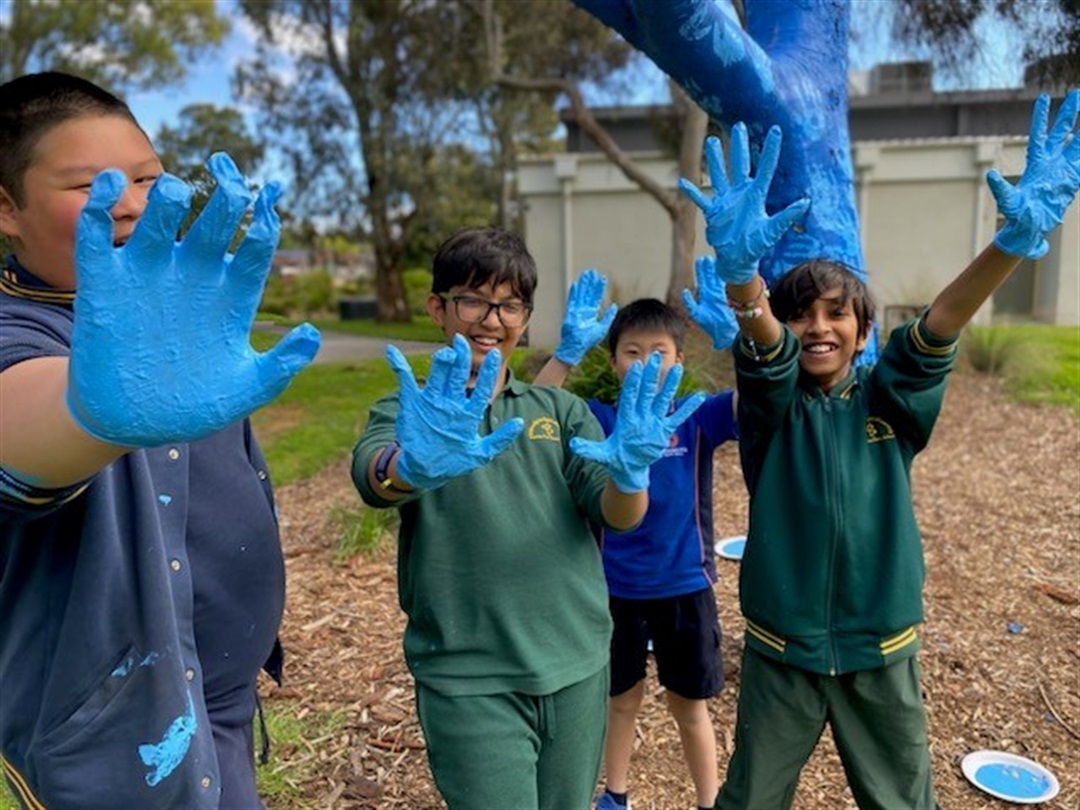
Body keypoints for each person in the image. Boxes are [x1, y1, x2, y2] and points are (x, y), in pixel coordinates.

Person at [677, 93, 1079, 810]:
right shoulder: (773, 412)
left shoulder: (891, 404)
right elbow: (765, 350)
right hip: (782, 653)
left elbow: (940, 325)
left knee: (902, 802)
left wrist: (1009, 244)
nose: (818, 327)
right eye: (801, 314)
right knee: (750, 799)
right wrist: (744, 281)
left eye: (837, 314)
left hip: (881, 653)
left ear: (864, 332)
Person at [0, 72, 320, 810]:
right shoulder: (21, 329)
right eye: (93, 185)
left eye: (148, 176)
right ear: (6, 209)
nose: (135, 203)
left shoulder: (178, 321)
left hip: (221, 701)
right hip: (109, 741)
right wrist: (88, 414)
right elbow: (24, 424)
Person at [351, 226, 705, 810]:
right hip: (469, 676)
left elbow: (617, 516)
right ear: (438, 308)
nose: (492, 319)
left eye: (510, 304)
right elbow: (374, 478)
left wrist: (630, 474)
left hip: (576, 662)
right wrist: (413, 466)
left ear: (525, 316)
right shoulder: (407, 408)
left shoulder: (559, 411)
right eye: (473, 299)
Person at [534, 274, 740, 810]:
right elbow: (534, 412)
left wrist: (741, 340)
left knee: (690, 707)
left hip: (684, 587)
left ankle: (709, 801)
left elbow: (759, 403)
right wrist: (566, 354)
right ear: (612, 361)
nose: (646, 362)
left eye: (660, 352)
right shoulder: (599, 419)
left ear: (679, 359)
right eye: (632, 351)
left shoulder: (693, 415)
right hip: (614, 590)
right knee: (619, 701)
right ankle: (616, 795)